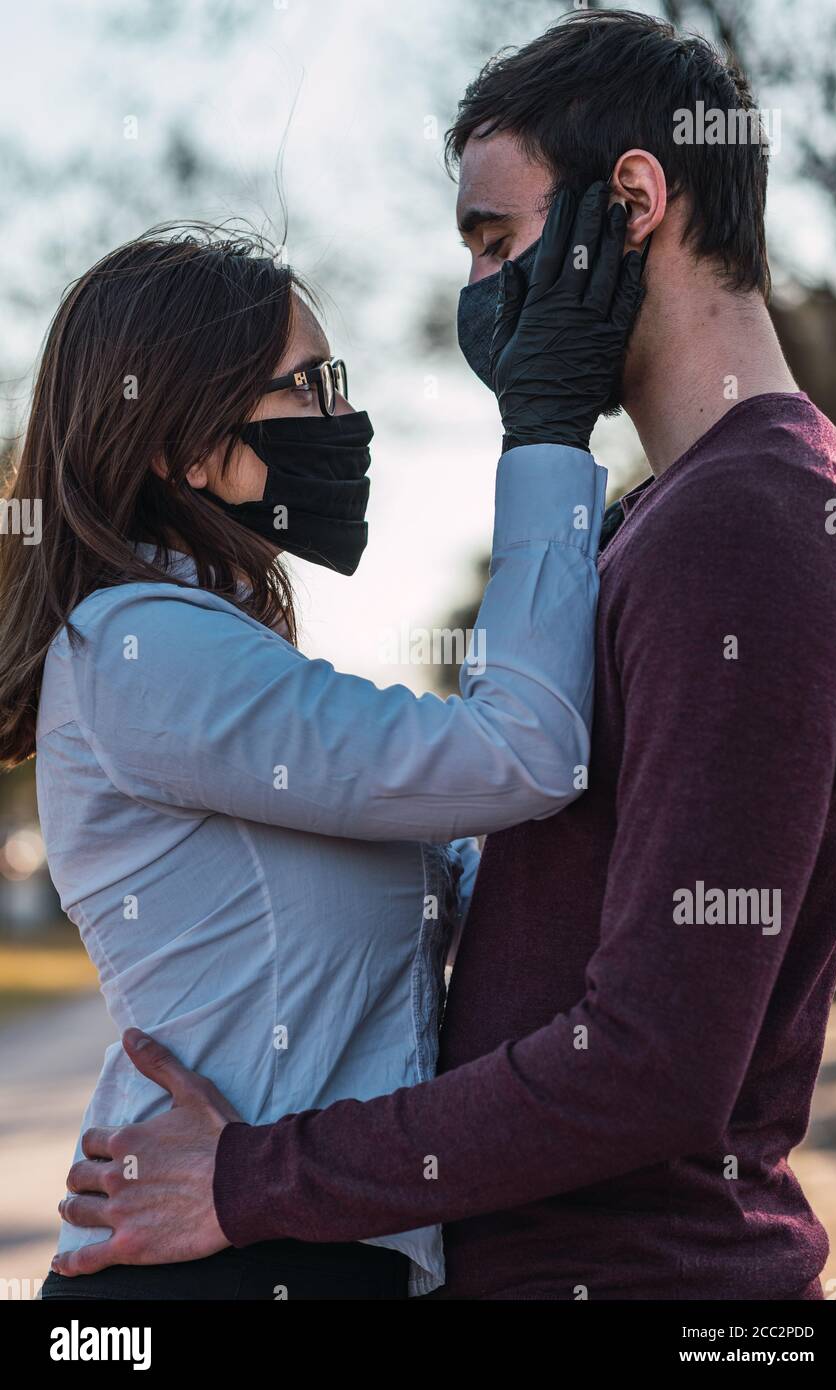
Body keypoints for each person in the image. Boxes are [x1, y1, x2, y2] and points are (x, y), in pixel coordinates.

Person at [51, 10, 836, 1301]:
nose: (480, 293)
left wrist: (256, 1176)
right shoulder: (671, 518)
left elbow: (653, 1055)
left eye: (495, 240)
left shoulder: (746, 524)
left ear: (635, 201)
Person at [0, 181, 643, 1298]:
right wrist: (546, 441)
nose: (346, 418)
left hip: (275, 1242)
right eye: (313, 385)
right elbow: (522, 752)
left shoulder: (190, 645)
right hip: (214, 1271)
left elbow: (477, 852)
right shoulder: (143, 650)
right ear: (191, 445)